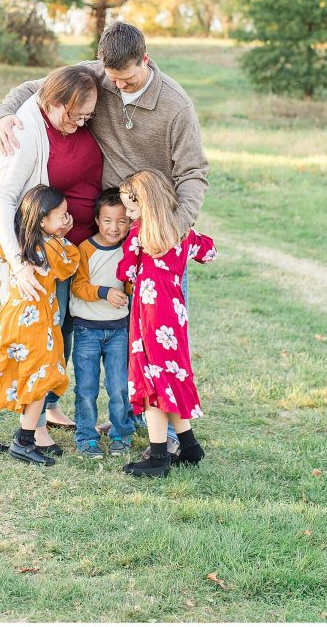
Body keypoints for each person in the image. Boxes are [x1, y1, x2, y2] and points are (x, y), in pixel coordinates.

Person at [0, 22, 209, 455]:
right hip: (102, 225)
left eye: (127, 78)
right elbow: (35, 89)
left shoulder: (175, 105)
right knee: (83, 319)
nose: (117, 85)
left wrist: (170, 231)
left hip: (152, 232)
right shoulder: (99, 76)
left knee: (156, 332)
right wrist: (3, 116)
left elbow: (193, 173)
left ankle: (160, 427)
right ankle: (71, 408)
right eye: (112, 78)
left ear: (145, 59)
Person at [0, 64, 103, 448]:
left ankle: (47, 407)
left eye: (87, 117)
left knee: (63, 329)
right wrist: (19, 262)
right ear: (53, 102)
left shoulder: (75, 107)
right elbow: (2, 199)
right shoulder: (24, 129)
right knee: (40, 339)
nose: (81, 123)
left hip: (73, 251)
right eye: (75, 115)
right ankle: (30, 428)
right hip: (40, 258)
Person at [0, 186, 80, 466]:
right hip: (37, 323)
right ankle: (25, 441)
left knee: (4, 369)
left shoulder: (15, 244)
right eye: (62, 216)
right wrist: (62, 237)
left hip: (10, 317)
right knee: (41, 378)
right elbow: (70, 264)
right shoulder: (52, 248)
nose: (66, 220)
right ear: (42, 220)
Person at [116, 169, 217, 479]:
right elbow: (209, 252)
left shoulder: (139, 234)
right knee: (169, 375)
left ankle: (158, 457)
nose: (129, 215)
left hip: (150, 314)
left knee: (152, 379)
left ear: (145, 205)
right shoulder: (182, 232)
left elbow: (125, 272)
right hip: (173, 311)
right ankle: (189, 446)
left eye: (131, 209)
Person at [69, 188, 135, 459]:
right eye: (107, 220)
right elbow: (78, 286)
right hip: (87, 329)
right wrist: (104, 292)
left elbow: (130, 281)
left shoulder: (130, 249)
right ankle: (86, 436)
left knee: (119, 386)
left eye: (121, 221)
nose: (114, 227)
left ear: (129, 222)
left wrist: (130, 287)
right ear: (97, 220)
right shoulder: (85, 249)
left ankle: (121, 433)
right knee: (86, 388)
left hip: (119, 329)